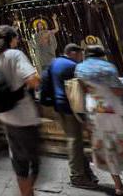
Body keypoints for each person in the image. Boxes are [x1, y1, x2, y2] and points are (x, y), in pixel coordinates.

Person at [76, 45, 123, 196]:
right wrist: (122, 84)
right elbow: (118, 91)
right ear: (101, 55)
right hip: (113, 108)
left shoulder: (80, 68)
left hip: (95, 109)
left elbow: (83, 90)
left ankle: (118, 186)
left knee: (106, 147)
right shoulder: (108, 67)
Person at [0, 25, 41, 196]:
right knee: (35, 161)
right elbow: (33, 80)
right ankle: (28, 193)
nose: (17, 41)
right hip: (25, 115)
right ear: (11, 39)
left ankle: (25, 192)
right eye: (16, 38)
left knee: (19, 162)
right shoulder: (16, 55)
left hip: (5, 115)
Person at [47, 44, 98, 189]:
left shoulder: (54, 62)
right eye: (80, 54)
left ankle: (85, 172)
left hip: (58, 106)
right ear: (73, 53)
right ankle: (77, 176)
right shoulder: (73, 66)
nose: (81, 57)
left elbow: (46, 82)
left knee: (75, 139)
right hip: (71, 107)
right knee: (75, 141)